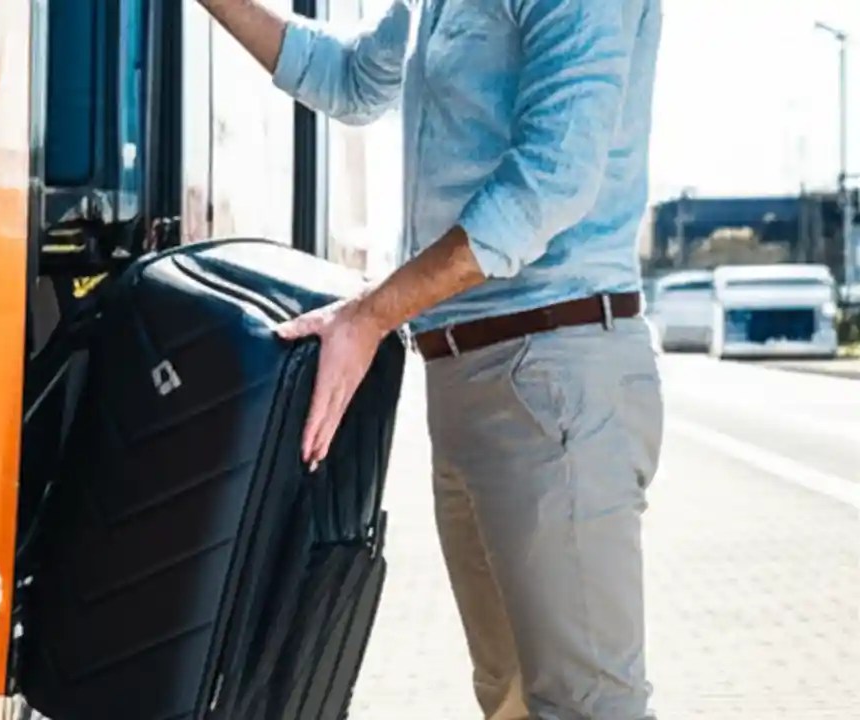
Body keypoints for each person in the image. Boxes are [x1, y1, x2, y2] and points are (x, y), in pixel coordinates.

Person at [197, 1, 665, 718]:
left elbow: (550, 181)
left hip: (551, 373)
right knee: (509, 700)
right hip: (468, 375)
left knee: (584, 704)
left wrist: (371, 314)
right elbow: (353, 78)